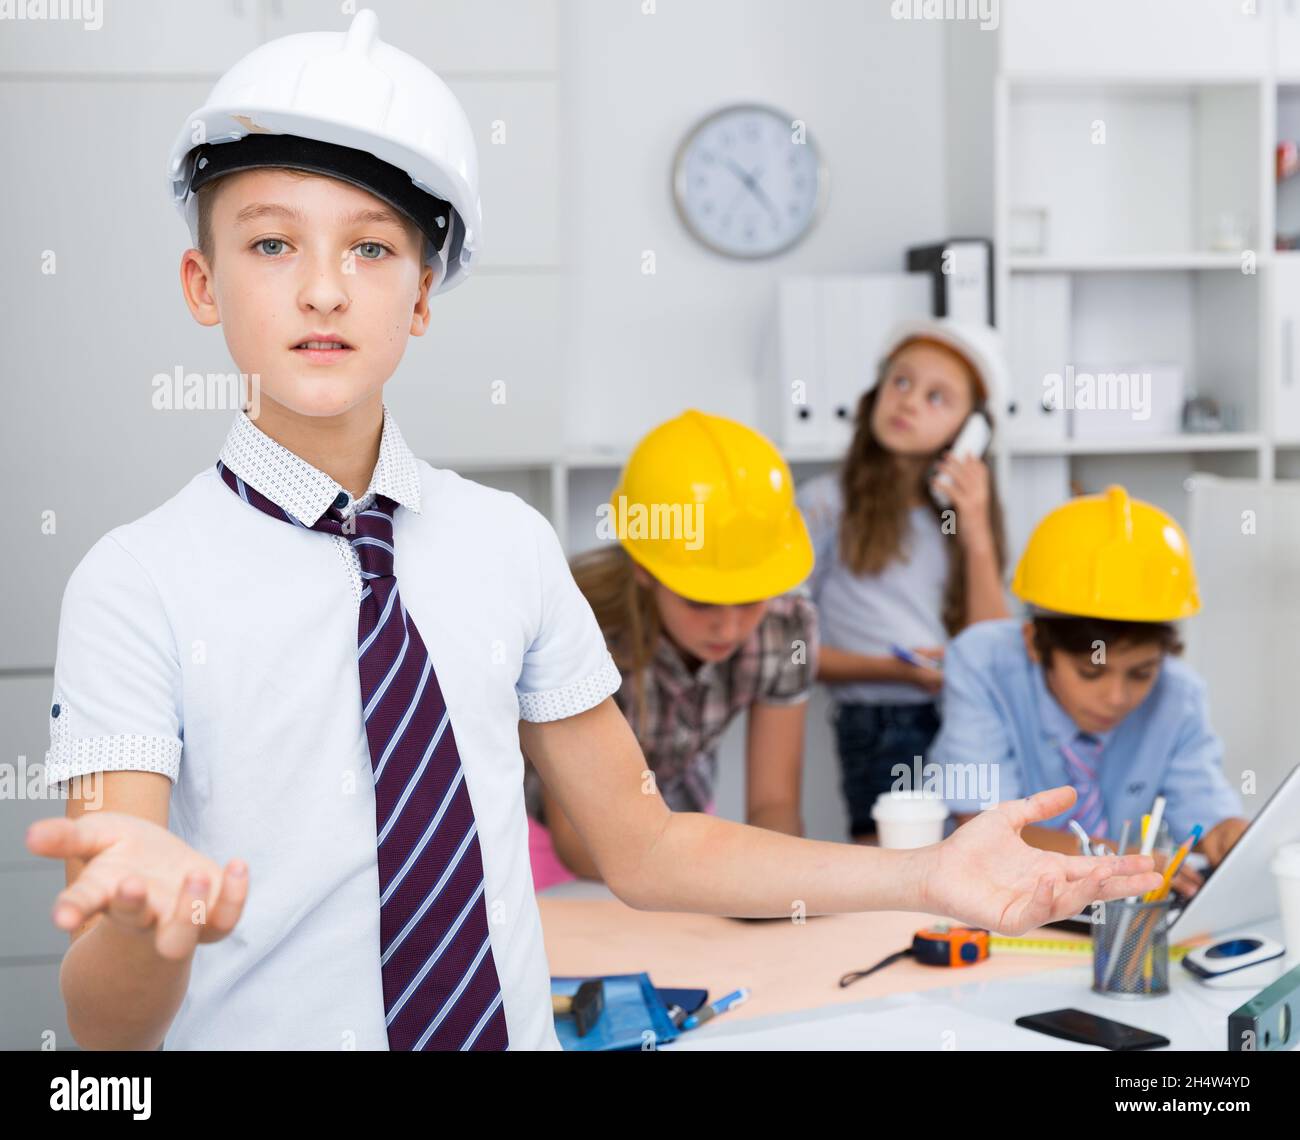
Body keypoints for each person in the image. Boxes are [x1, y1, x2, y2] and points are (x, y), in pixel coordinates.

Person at [25, 10, 1163, 1052]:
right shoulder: (135, 585)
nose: (324, 289)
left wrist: (928, 877)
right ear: (201, 281)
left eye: (371, 248)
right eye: (272, 243)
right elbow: (103, 1032)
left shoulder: (505, 547)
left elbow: (647, 846)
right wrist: (141, 925)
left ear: (422, 296)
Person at [524, 411, 819, 888]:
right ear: (643, 568)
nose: (729, 625)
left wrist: (775, 884)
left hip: (685, 830)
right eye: (700, 601)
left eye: (750, 600)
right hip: (562, 854)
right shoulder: (576, 621)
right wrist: (701, 876)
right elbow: (576, 842)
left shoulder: (787, 626)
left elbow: (775, 804)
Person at [931, 485, 1249, 896]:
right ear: (1033, 643)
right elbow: (980, 829)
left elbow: (1205, 810)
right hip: (985, 900)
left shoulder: (1178, 692)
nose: (1116, 697)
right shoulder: (981, 665)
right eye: (1090, 672)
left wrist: (1229, 836)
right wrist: (1119, 860)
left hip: (1115, 921)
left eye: (1141, 673)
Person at [797, 318, 1009, 841]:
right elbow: (788, 652)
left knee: (976, 859)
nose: (909, 402)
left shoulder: (967, 514)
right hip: (880, 721)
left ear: (970, 432)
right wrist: (893, 669)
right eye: (902, 382)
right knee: (891, 866)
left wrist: (976, 531)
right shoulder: (827, 503)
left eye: (937, 397)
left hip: (965, 715)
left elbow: (992, 646)